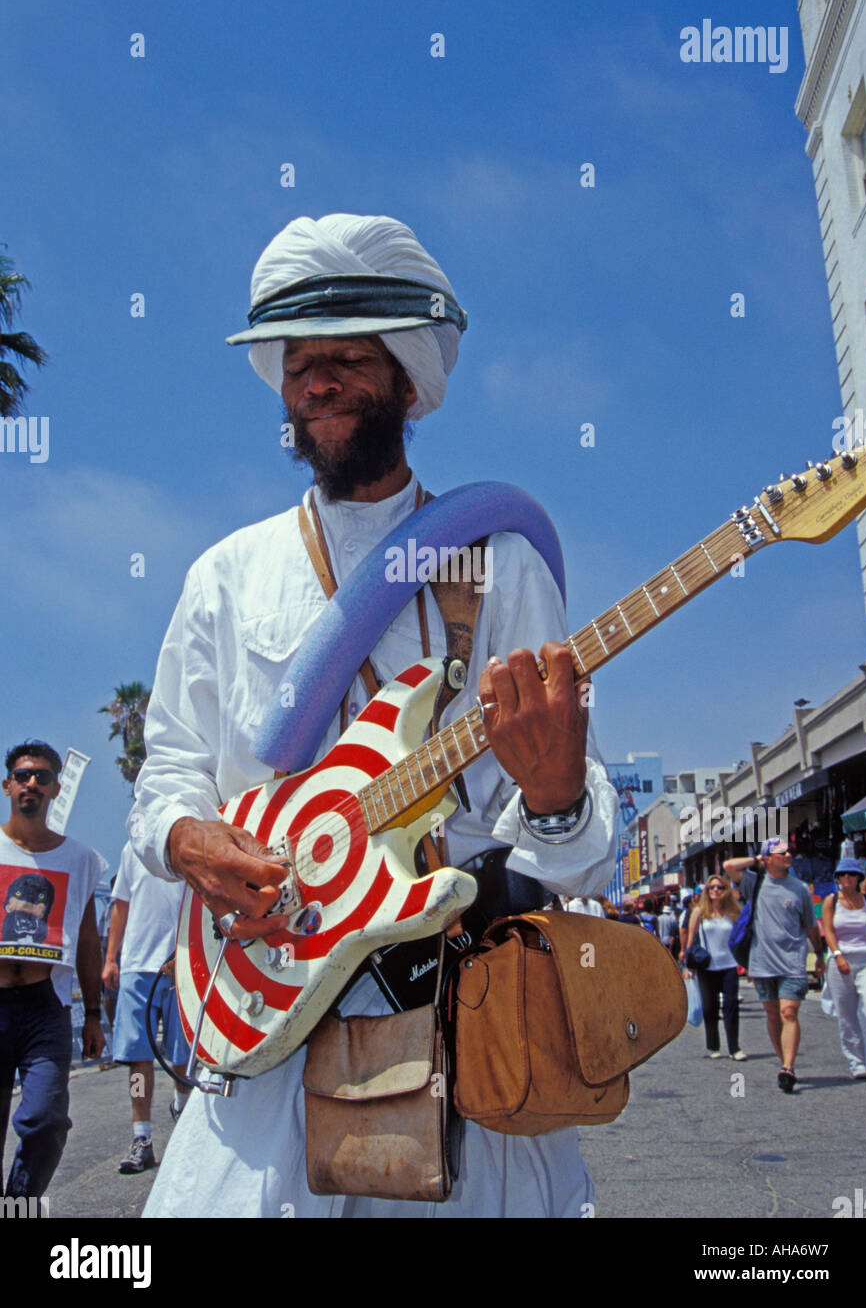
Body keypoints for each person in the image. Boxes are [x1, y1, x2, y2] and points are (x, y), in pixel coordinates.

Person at [130, 213, 619, 1219]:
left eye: (347, 359)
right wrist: (190, 842)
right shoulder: (226, 576)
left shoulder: (498, 565)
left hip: (462, 1037)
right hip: (260, 1049)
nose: (316, 383)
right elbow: (169, 771)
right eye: (300, 363)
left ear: (405, 377)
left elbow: (575, 859)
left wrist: (561, 796)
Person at [0, 740, 106, 1202]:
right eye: (23, 775)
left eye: (42, 777)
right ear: (7, 785)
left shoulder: (80, 860)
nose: (31, 783)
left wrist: (95, 1014)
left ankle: (17, 1206)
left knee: (45, 1120)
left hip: (46, 1008)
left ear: (56, 789)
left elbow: (87, 941)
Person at [101, 840, 191, 1172]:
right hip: (138, 964)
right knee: (139, 1060)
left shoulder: (188, 842)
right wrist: (111, 959)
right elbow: (121, 904)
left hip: (181, 962)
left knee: (183, 1058)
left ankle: (183, 1115)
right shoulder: (130, 850)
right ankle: (142, 1137)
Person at [724, 838, 824, 1093]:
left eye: (789, 851)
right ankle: (785, 1062)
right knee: (772, 1014)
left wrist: (820, 956)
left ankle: (787, 1067)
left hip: (792, 961)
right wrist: (756, 860)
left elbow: (811, 925)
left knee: (788, 1012)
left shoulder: (800, 888)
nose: (788, 855)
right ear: (768, 859)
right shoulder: (754, 882)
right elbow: (729, 866)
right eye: (781, 853)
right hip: (762, 962)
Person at [821, 858, 866, 1080]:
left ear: (858, 878)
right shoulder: (831, 901)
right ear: (838, 878)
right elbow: (829, 932)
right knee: (846, 1015)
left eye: (851, 875)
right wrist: (837, 955)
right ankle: (856, 1062)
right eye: (843, 875)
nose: (846, 879)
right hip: (841, 959)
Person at [681, 874, 746, 1060]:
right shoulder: (699, 912)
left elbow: (740, 938)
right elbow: (690, 940)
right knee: (710, 1008)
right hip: (707, 965)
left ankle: (734, 1048)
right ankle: (713, 1046)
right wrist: (689, 965)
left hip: (729, 965)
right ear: (707, 892)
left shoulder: (733, 912)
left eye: (720, 887)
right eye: (711, 888)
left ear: (726, 891)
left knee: (731, 1006)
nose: (715, 891)